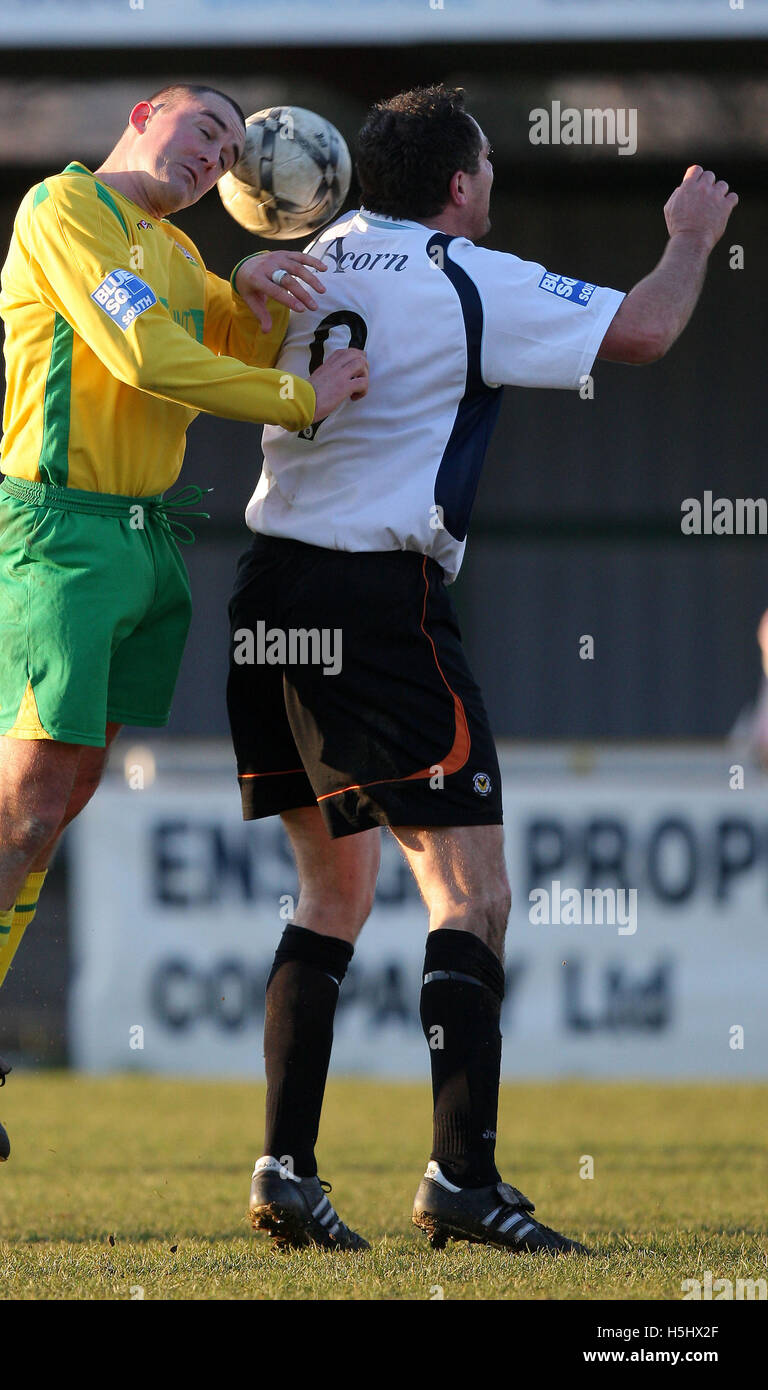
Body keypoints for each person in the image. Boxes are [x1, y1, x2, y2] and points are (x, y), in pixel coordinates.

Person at [226, 83, 738, 1253]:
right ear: (459, 187)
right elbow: (646, 331)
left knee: (332, 893)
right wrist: (691, 237)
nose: (495, 181)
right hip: (381, 596)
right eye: (489, 166)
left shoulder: (308, 258)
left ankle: (285, 1167)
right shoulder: (464, 273)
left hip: (269, 595)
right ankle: (463, 1178)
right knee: (473, 896)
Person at [0, 82, 368, 1210]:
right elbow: (150, 358)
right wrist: (298, 398)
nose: (215, 159)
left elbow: (214, 334)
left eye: (232, 154)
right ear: (146, 112)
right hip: (54, 535)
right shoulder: (65, 210)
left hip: (145, 542)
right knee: (25, 805)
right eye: (204, 129)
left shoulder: (170, 250)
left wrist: (246, 291)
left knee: (66, 794)